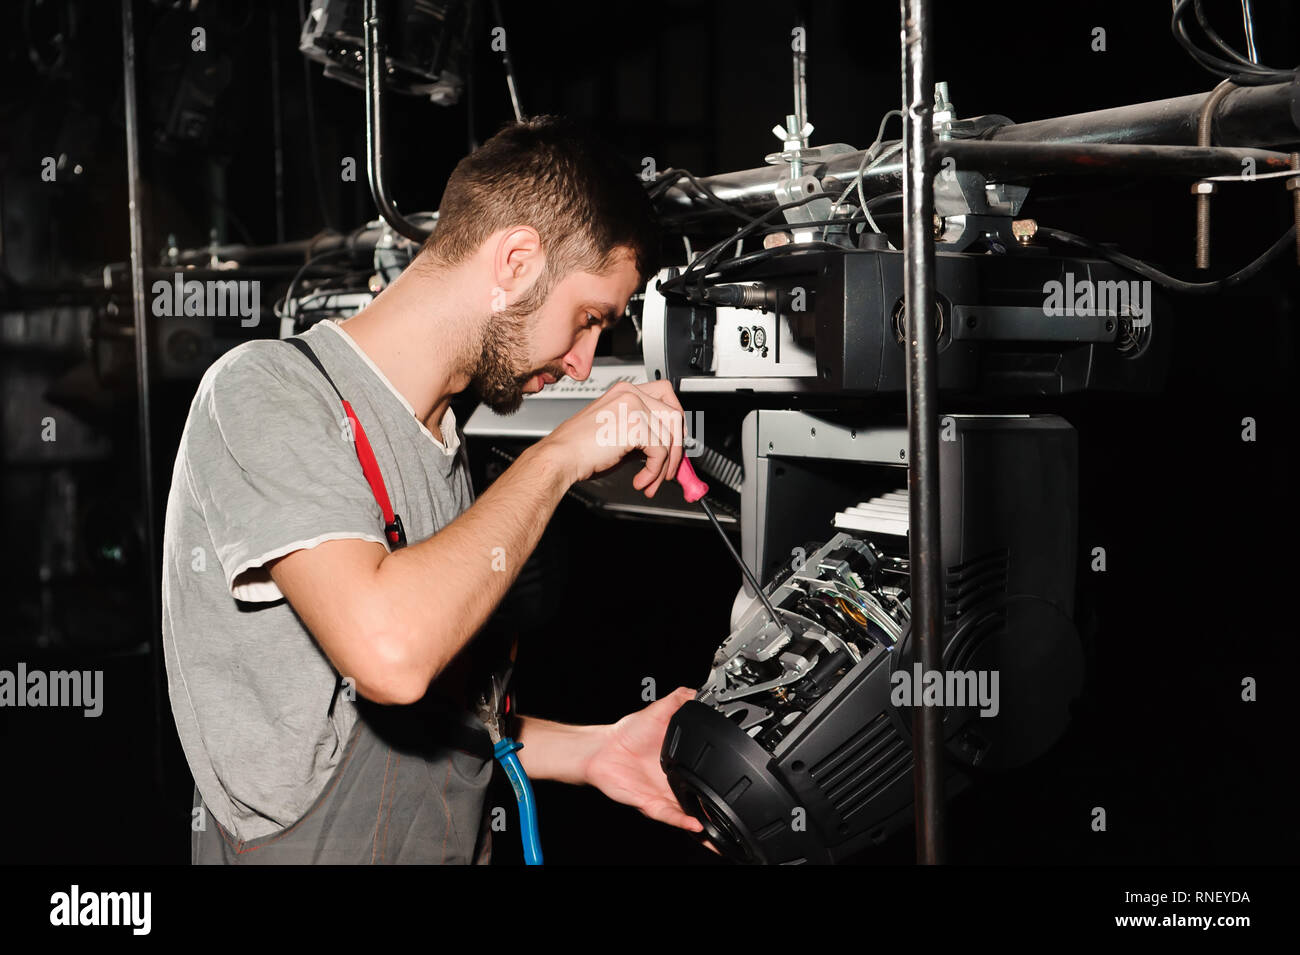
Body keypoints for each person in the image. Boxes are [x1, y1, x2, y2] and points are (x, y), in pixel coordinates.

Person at [161, 115, 704, 863]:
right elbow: (390, 654)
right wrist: (558, 456)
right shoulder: (265, 391)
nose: (584, 364)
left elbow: (432, 723)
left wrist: (593, 750)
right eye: (587, 319)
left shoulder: (445, 444)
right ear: (515, 260)